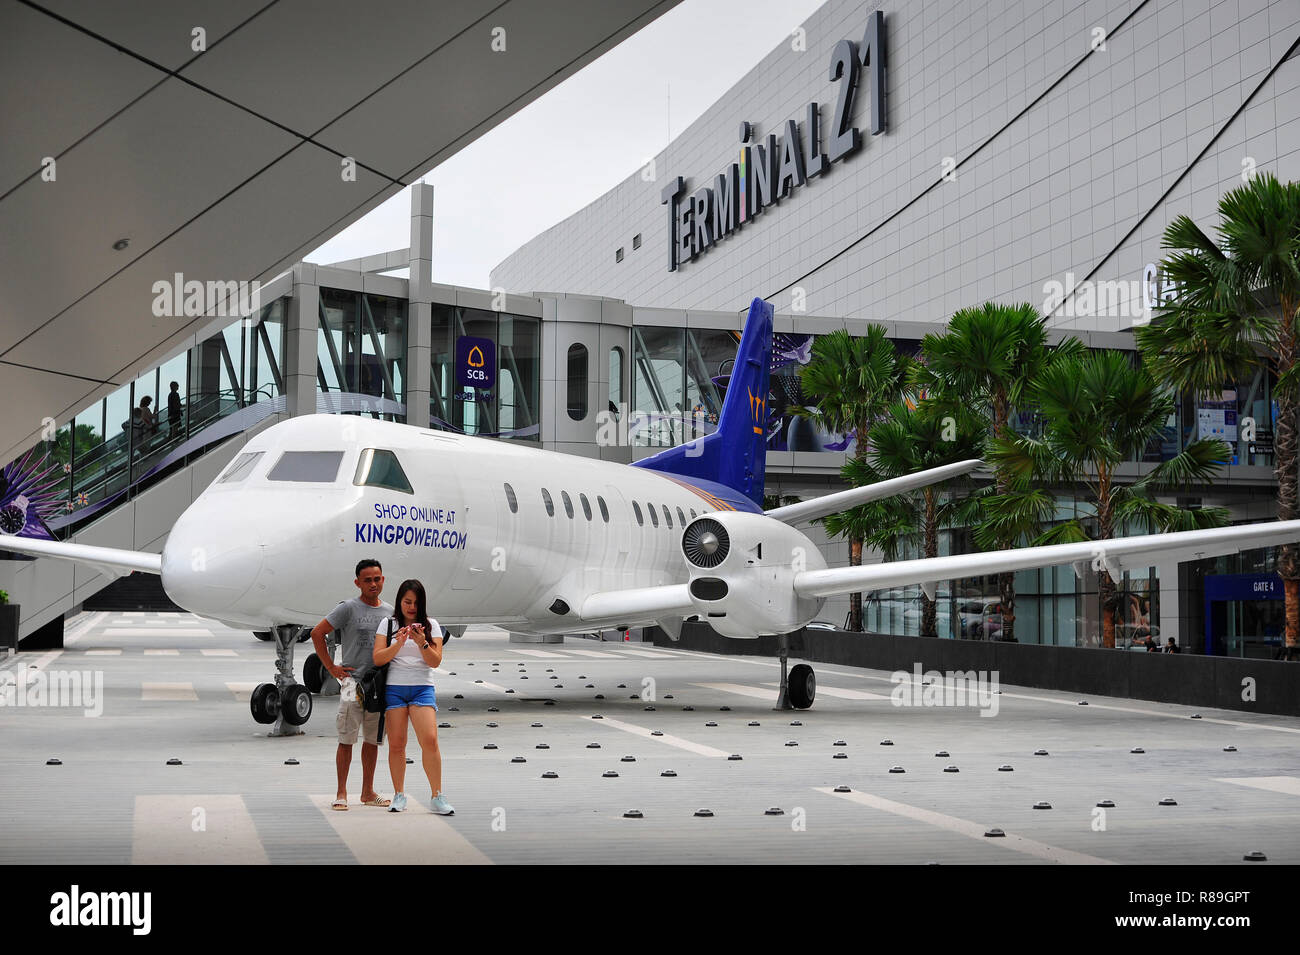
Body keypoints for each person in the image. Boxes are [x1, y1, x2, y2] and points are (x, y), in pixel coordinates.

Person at [310, 559, 393, 810]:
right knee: (346, 738)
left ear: (383, 580)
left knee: (372, 740)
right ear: (357, 583)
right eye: (367, 580)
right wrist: (332, 667)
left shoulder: (390, 612)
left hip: (378, 685)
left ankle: (368, 792)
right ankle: (341, 793)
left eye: (377, 579)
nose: (373, 584)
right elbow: (317, 633)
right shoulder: (348, 608)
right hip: (350, 683)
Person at [372, 578, 453, 815]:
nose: (412, 607)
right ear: (399, 601)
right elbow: (378, 658)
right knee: (397, 744)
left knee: (429, 740)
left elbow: (435, 661)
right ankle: (399, 794)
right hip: (394, 687)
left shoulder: (432, 625)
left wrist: (422, 643)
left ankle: (437, 795)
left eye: (416, 603)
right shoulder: (387, 624)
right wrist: (399, 643)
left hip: (422, 687)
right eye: (407, 602)